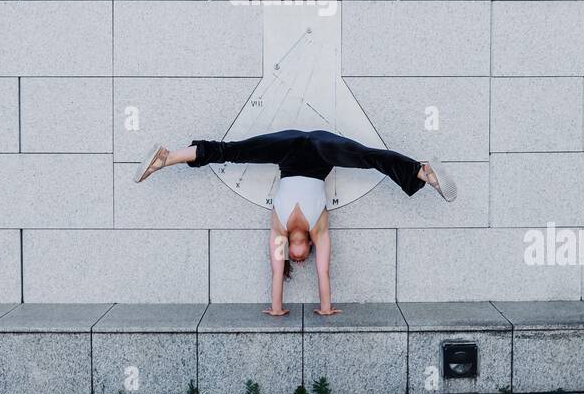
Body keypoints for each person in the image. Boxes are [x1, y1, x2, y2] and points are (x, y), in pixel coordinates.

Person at [133, 129, 455, 317]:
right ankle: (422, 173)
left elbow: (277, 273)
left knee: (234, 152)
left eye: (294, 260)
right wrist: (325, 308)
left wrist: (277, 309)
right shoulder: (319, 230)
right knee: (367, 157)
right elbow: (323, 273)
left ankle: (167, 158)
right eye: (303, 259)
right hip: (322, 151)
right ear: (310, 247)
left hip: (286, 150)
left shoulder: (279, 231)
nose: (298, 260)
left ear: (288, 249)